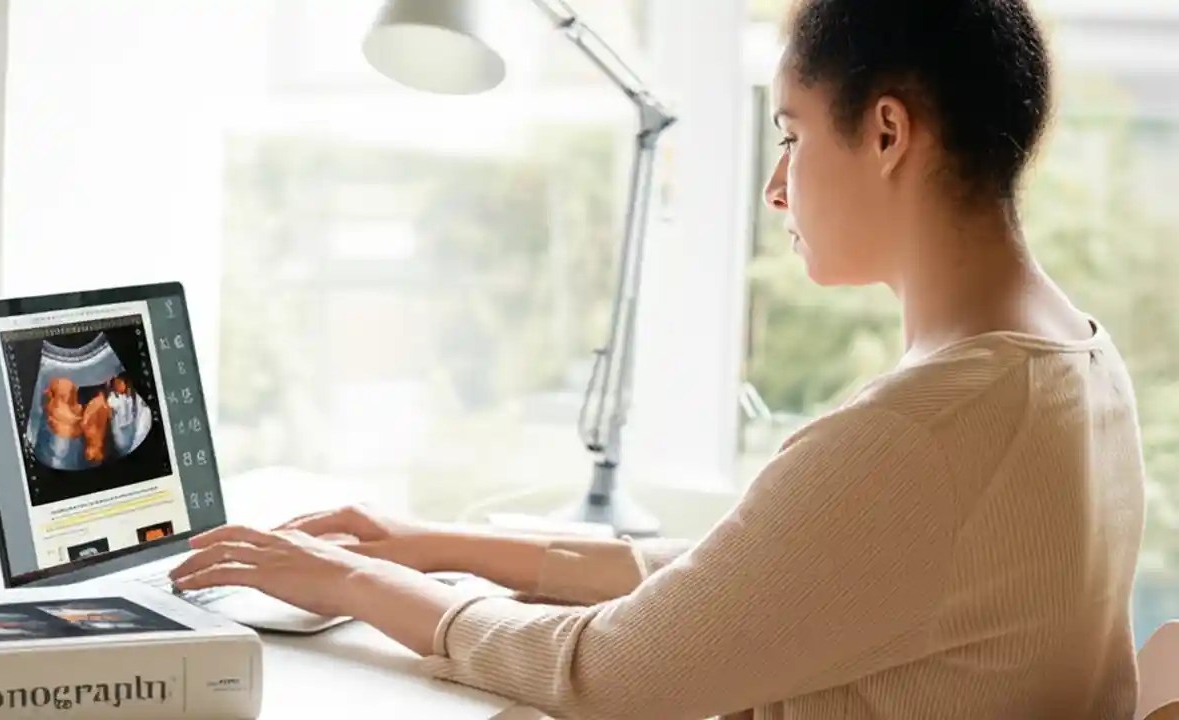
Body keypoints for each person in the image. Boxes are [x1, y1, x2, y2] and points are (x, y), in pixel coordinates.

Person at [168, 0, 1147, 717]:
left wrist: (345, 585)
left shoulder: (919, 435)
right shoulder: (1075, 369)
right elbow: (748, 579)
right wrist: (436, 544)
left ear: (885, 132)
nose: (774, 187)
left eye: (790, 133)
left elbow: (620, 674)